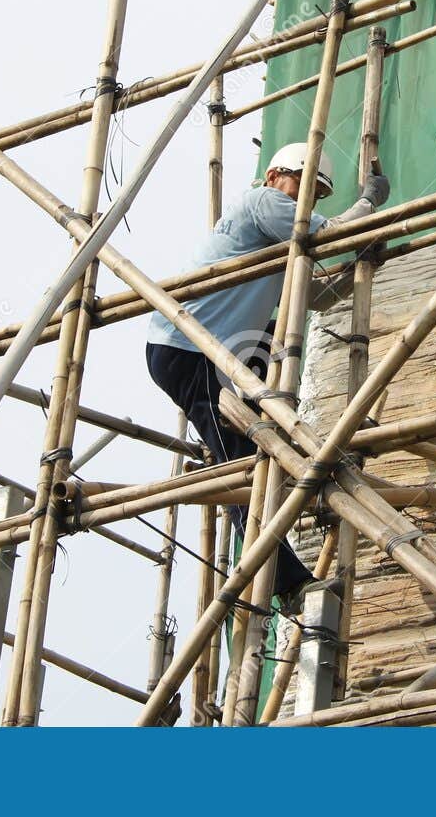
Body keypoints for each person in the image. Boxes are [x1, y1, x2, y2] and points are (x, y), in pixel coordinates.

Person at [145, 142, 390, 602]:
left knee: (277, 342)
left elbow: (315, 297)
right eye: (305, 186)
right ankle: (288, 583)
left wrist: (359, 264)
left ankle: (281, 433)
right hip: (189, 348)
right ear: (277, 174)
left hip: (219, 351)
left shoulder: (277, 239)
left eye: (317, 194)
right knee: (241, 465)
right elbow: (325, 233)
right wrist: (369, 203)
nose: (308, 201)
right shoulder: (263, 202)